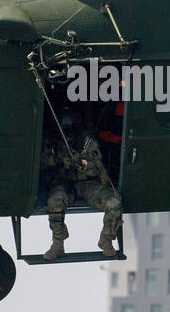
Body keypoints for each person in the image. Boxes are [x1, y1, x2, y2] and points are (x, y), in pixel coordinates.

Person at [42, 106, 122, 260]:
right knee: (54, 201)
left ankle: (106, 240)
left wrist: (83, 163)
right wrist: (59, 160)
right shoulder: (52, 142)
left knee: (114, 203)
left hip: (88, 184)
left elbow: (96, 166)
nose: (68, 136)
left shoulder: (87, 141)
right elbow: (43, 165)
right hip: (65, 183)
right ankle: (58, 243)